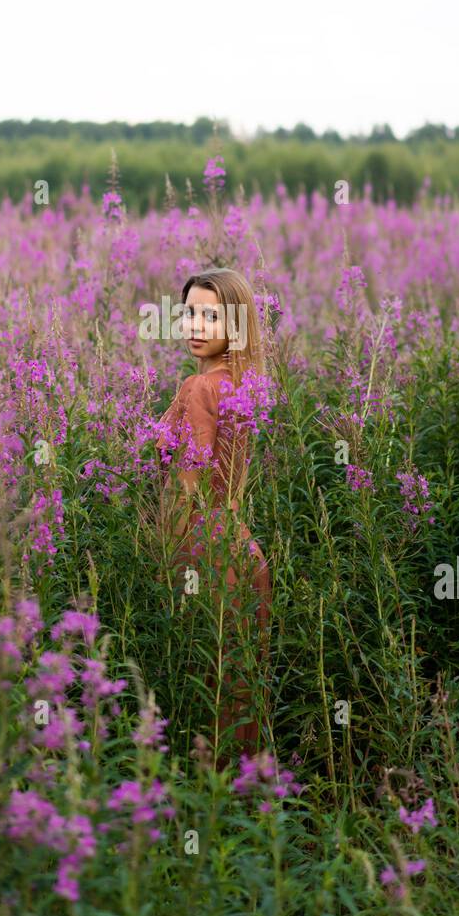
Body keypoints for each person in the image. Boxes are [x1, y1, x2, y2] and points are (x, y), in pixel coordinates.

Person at [157, 267, 271, 762]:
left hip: (204, 550)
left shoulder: (199, 389)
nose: (195, 326)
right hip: (242, 551)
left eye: (211, 315)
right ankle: (242, 815)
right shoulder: (244, 383)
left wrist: (166, 559)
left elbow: (188, 487)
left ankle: (201, 813)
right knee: (238, 701)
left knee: (201, 697)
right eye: (189, 314)